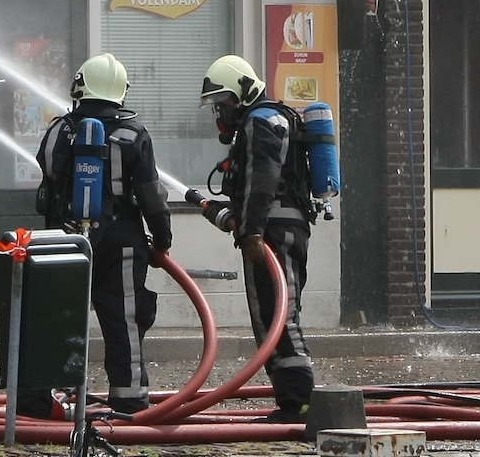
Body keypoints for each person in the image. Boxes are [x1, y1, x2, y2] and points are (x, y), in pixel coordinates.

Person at [34, 52, 173, 416]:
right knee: (124, 318)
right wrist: (162, 241)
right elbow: (152, 198)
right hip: (121, 241)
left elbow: (48, 177)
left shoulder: (59, 129)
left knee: (56, 317)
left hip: (66, 241)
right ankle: (128, 400)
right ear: (120, 93)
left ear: (80, 87)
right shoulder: (134, 133)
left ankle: (41, 399)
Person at [197, 54, 317, 423]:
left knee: (281, 313)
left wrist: (251, 230)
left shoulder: (261, 121)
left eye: (224, 102)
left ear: (243, 93)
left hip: (273, 230)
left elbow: (262, 179)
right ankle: (291, 400)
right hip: (274, 227)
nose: (222, 112)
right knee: (270, 313)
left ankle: (300, 402)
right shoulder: (264, 119)